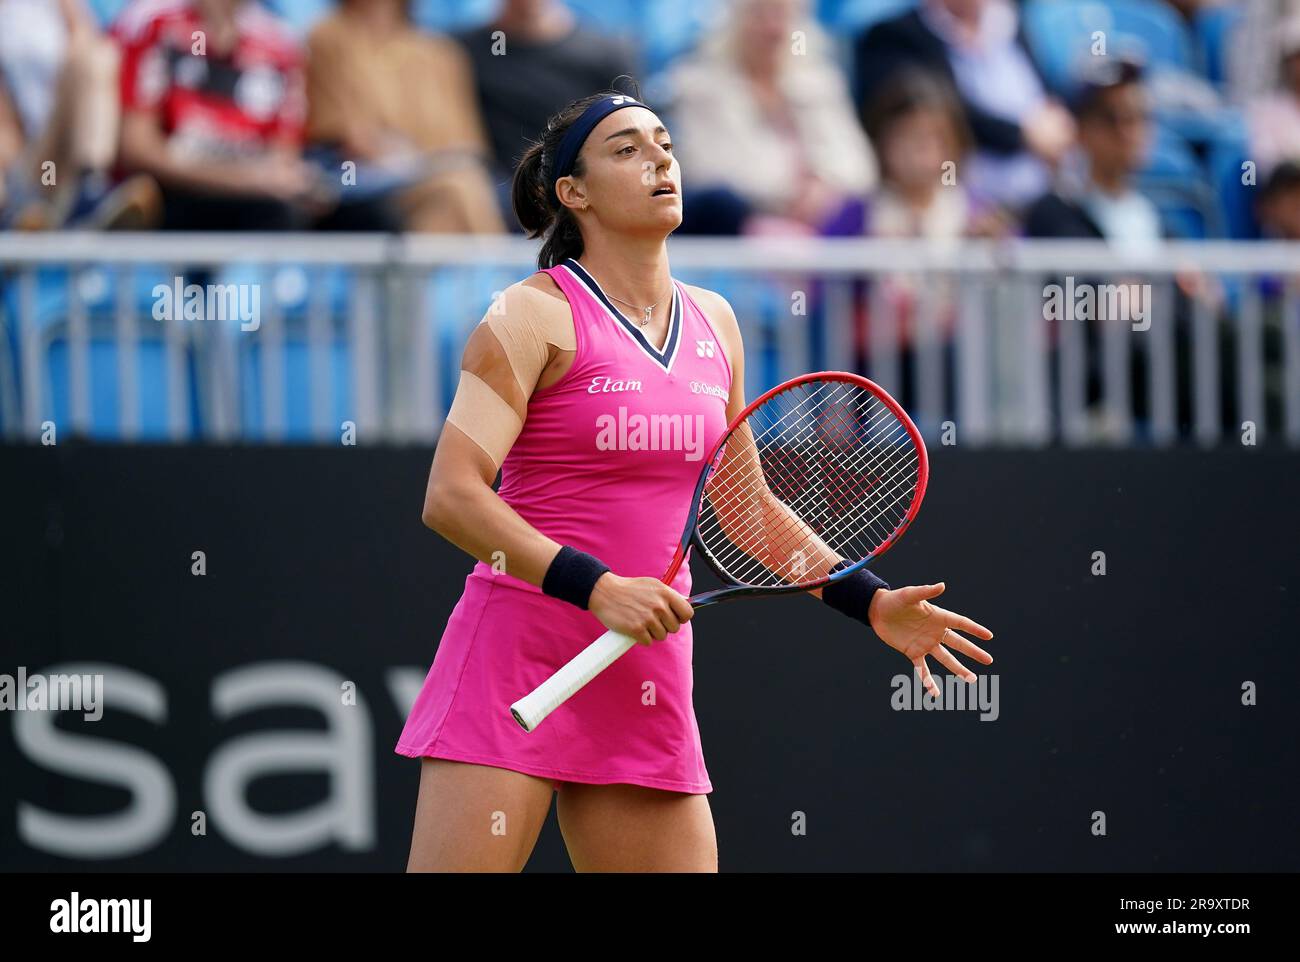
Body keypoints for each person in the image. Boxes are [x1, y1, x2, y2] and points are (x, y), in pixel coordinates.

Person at [396, 90, 994, 872]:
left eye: (665, 143)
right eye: (626, 149)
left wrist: (867, 598)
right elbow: (452, 496)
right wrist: (598, 587)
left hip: (643, 675)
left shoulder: (716, 322)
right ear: (572, 194)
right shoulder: (526, 318)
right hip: (517, 657)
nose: (660, 160)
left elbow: (748, 511)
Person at [113, 0, 396, 231]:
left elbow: (282, 156)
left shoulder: (280, 42)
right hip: (172, 193)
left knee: (371, 218)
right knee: (275, 214)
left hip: (254, 192)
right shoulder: (151, 23)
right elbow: (137, 150)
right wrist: (246, 180)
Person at [666, 0, 876, 235]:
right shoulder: (698, 87)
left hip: (822, 230)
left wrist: (823, 185)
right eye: (759, 15)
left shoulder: (821, 84)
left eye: (781, 15)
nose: (772, 28)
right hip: (737, 235)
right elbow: (707, 173)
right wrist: (791, 194)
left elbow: (859, 169)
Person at [304, 0, 504, 233]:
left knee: (456, 193)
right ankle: (499, 268)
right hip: (361, 182)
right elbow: (349, 137)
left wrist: (428, 163)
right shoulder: (328, 37)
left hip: (437, 179)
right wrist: (411, 162)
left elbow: (467, 146)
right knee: (458, 189)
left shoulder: (442, 53)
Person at [853, 0, 1074, 210]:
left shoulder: (1014, 20)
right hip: (961, 198)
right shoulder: (894, 37)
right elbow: (938, 111)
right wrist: (1023, 135)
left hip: (1042, 196)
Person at [456, 0, 637, 219]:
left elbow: (631, 132)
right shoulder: (465, 52)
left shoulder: (603, 54)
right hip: (497, 189)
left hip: (580, 180)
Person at [0, 0, 157, 228]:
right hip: (23, 163)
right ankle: (24, 209)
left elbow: (89, 48)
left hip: (61, 157)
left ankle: (91, 189)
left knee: (98, 57)